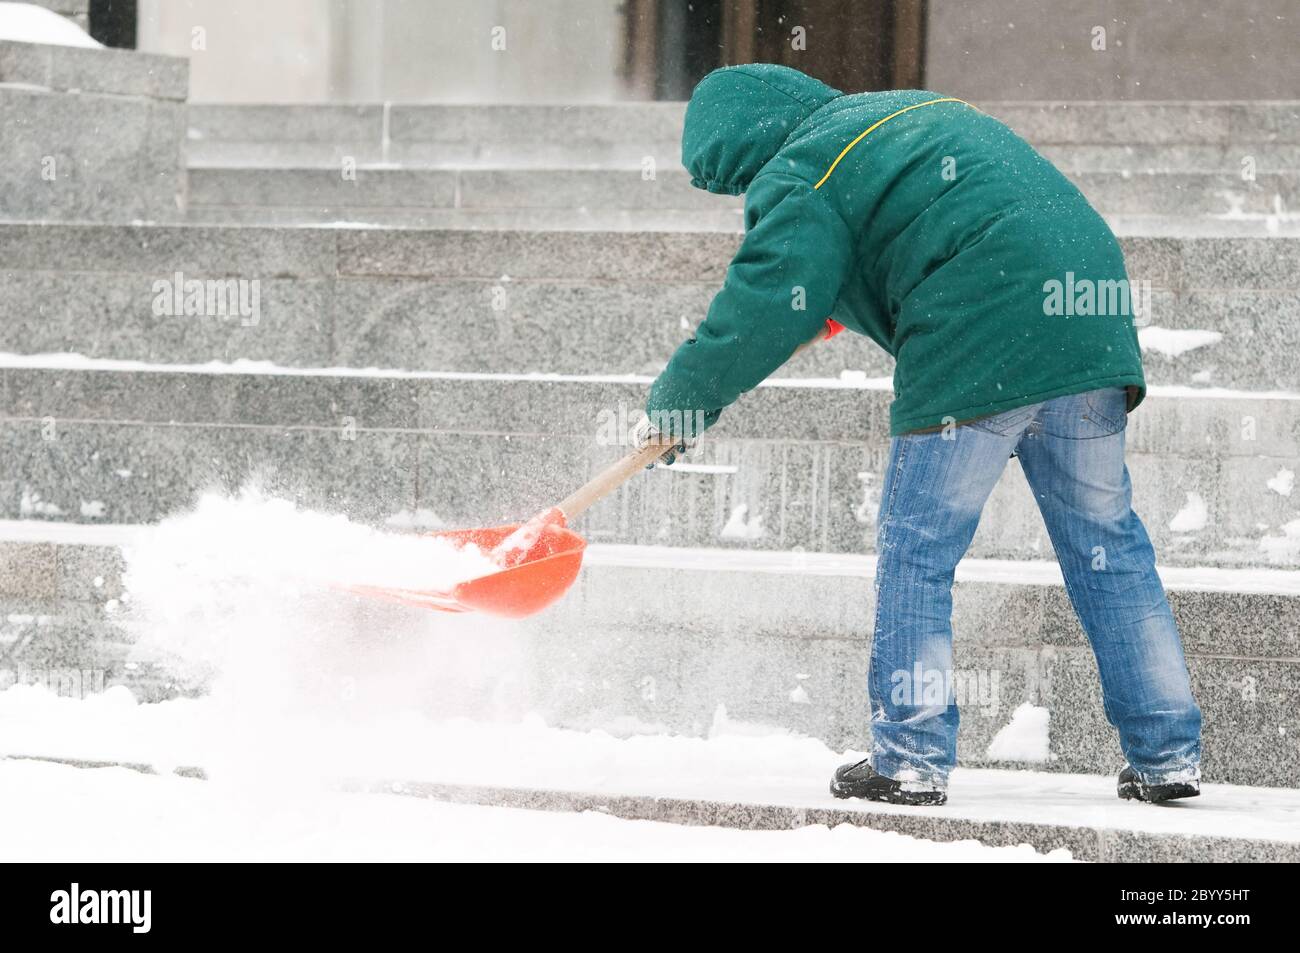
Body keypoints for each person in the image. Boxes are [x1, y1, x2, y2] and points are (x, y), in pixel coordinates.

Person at [638, 64, 1202, 806]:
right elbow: (907, 236)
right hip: (1087, 313)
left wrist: (683, 401)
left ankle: (910, 754)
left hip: (982, 328)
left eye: (740, 183)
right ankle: (1168, 755)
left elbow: (764, 298)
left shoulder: (801, 168)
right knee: (1108, 543)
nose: (750, 196)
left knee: (918, 549)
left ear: (745, 147)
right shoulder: (893, 118)